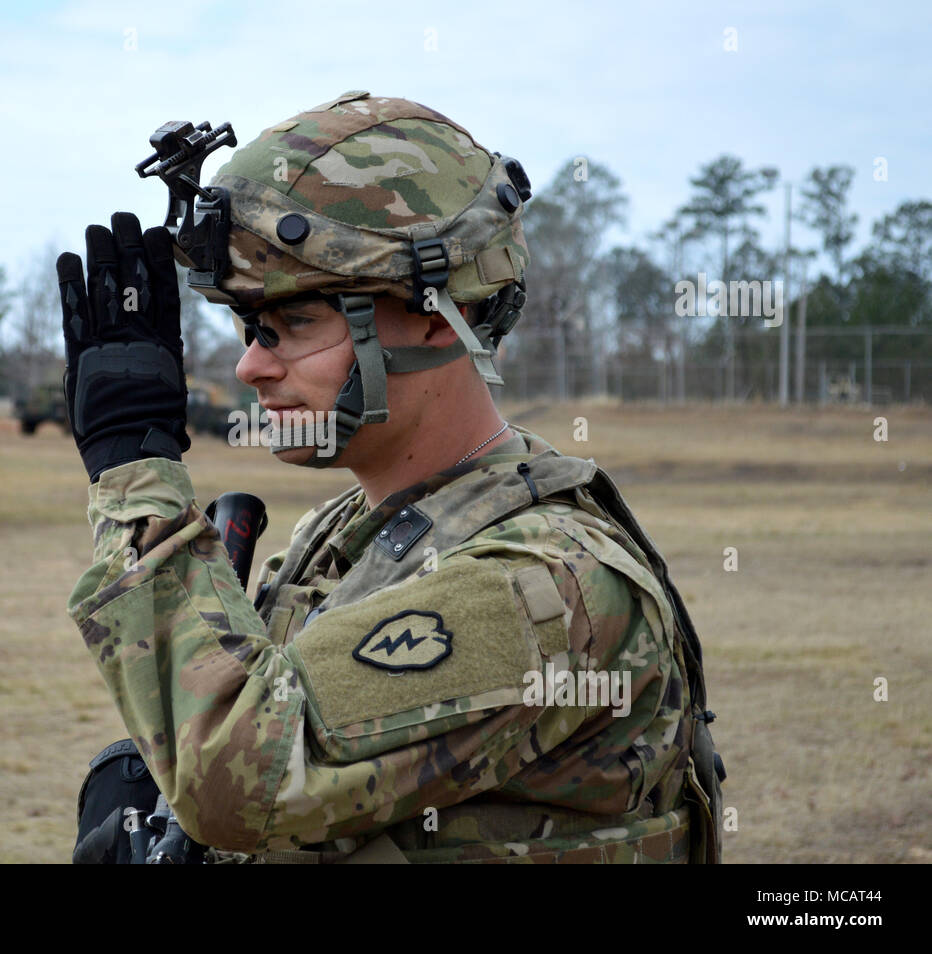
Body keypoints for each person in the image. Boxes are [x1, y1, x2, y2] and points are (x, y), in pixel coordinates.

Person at [61, 91, 722, 863]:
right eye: (248, 326)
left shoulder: (548, 583)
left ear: (440, 315)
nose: (249, 365)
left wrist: (135, 471)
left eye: (296, 323)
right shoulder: (344, 536)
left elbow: (246, 780)